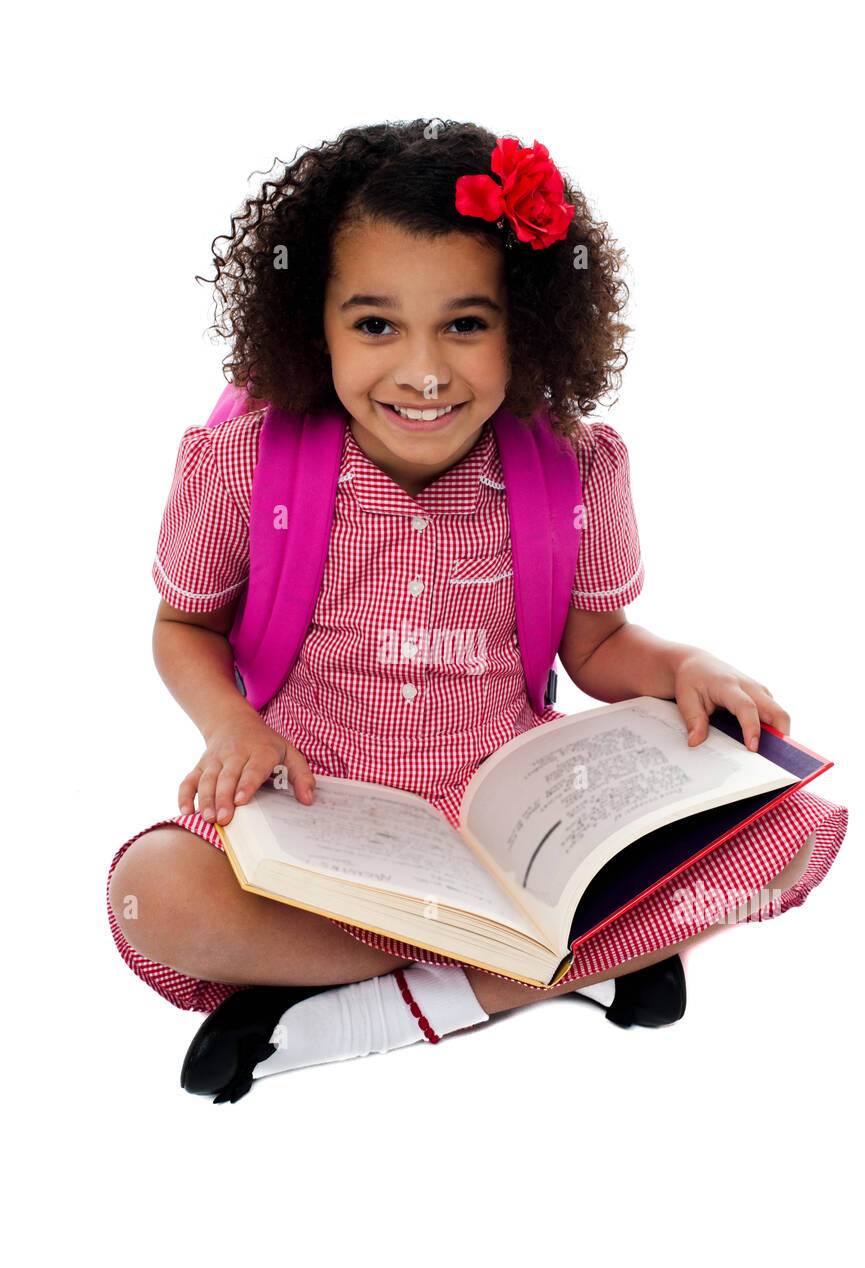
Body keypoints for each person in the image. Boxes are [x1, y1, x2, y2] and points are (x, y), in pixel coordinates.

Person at [105, 120, 848, 1104]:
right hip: (322, 807)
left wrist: (681, 667)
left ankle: (368, 1005)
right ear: (309, 322)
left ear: (529, 324)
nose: (423, 371)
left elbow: (597, 643)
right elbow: (183, 627)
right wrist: (231, 724)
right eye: (375, 325)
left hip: (506, 806)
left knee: (786, 837)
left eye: (465, 324)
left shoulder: (574, 469)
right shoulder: (241, 468)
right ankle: (568, 966)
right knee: (151, 893)